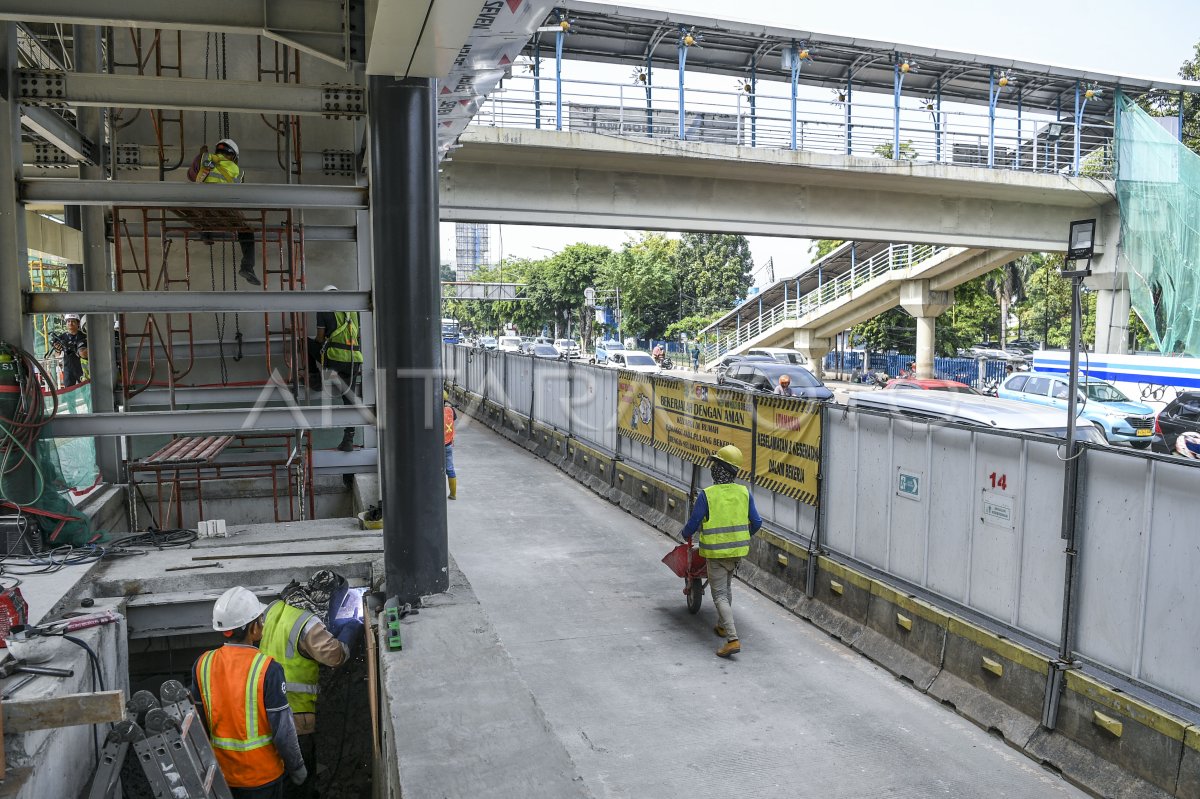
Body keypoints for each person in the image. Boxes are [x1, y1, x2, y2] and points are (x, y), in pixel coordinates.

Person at [192, 586, 306, 799]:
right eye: (260, 619)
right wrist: (297, 767)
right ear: (253, 628)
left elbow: (199, 724)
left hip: (221, 777)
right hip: (262, 778)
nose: (262, 623)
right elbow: (283, 731)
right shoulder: (268, 669)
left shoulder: (202, 664)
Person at [259, 572, 362, 799]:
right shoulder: (308, 623)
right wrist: (352, 628)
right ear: (331, 600)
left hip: (264, 710)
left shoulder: (276, 607)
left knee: (278, 776)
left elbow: (293, 640)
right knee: (300, 781)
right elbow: (336, 656)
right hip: (296, 719)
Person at [680, 445, 762, 658]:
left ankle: (732, 639)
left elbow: (694, 523)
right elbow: (757, 522)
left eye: (716, 464)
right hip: (736, 553)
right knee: (726, 587)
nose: (713, 467)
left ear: (721, 469)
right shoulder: (744, 492)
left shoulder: (708, 495)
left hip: (716, 554)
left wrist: (685, 533)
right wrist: (742, 537)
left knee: (720, 595)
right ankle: (722, 625)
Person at [189, 138, 261, 286]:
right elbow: (238, 195)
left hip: (202, 206)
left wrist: (201, 156)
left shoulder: (204, 158)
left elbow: (191, 176)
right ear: (234, 156)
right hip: (225, 208)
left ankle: (205, 233)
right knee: (247, 232)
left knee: (206, 213)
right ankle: (247, 267)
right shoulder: (239, 172)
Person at [306, 286, 363, 452]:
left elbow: (319, 337)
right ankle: (348, 439)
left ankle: (314, 378)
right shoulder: (353, 310)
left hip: (335, 359)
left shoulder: (324, 309)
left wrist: (321, 345)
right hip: (354, 360)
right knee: (349, 399)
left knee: (303, 342)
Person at [52, 314, 89, 387]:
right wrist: (57, 349)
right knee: (68, 391)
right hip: (68, 368)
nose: (70, 323)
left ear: (78, 323)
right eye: (68, 321)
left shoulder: (84, 336)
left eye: (73, 321)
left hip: (82, 368)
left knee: (86, 388)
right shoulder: (61, 337)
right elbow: (57, 354)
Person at [445, 389, 458, 500]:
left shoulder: (433, 411)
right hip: (448, 444)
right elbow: (454, 418)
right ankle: (453, 494)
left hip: (437, 446)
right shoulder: (450, 410)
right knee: (450, 468)